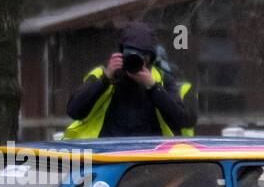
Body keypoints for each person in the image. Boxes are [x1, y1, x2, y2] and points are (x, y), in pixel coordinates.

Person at [64, 21, 197, 138]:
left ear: (150, 59)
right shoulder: (103, 75)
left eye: (140, 57)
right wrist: (106, 79)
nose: (134, 61)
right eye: (129, 54)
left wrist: (153, 87)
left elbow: (183, 121)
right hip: (106, 154)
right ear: (120, 53)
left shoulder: (161, 80)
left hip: (148, 156)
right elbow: (74, 111)